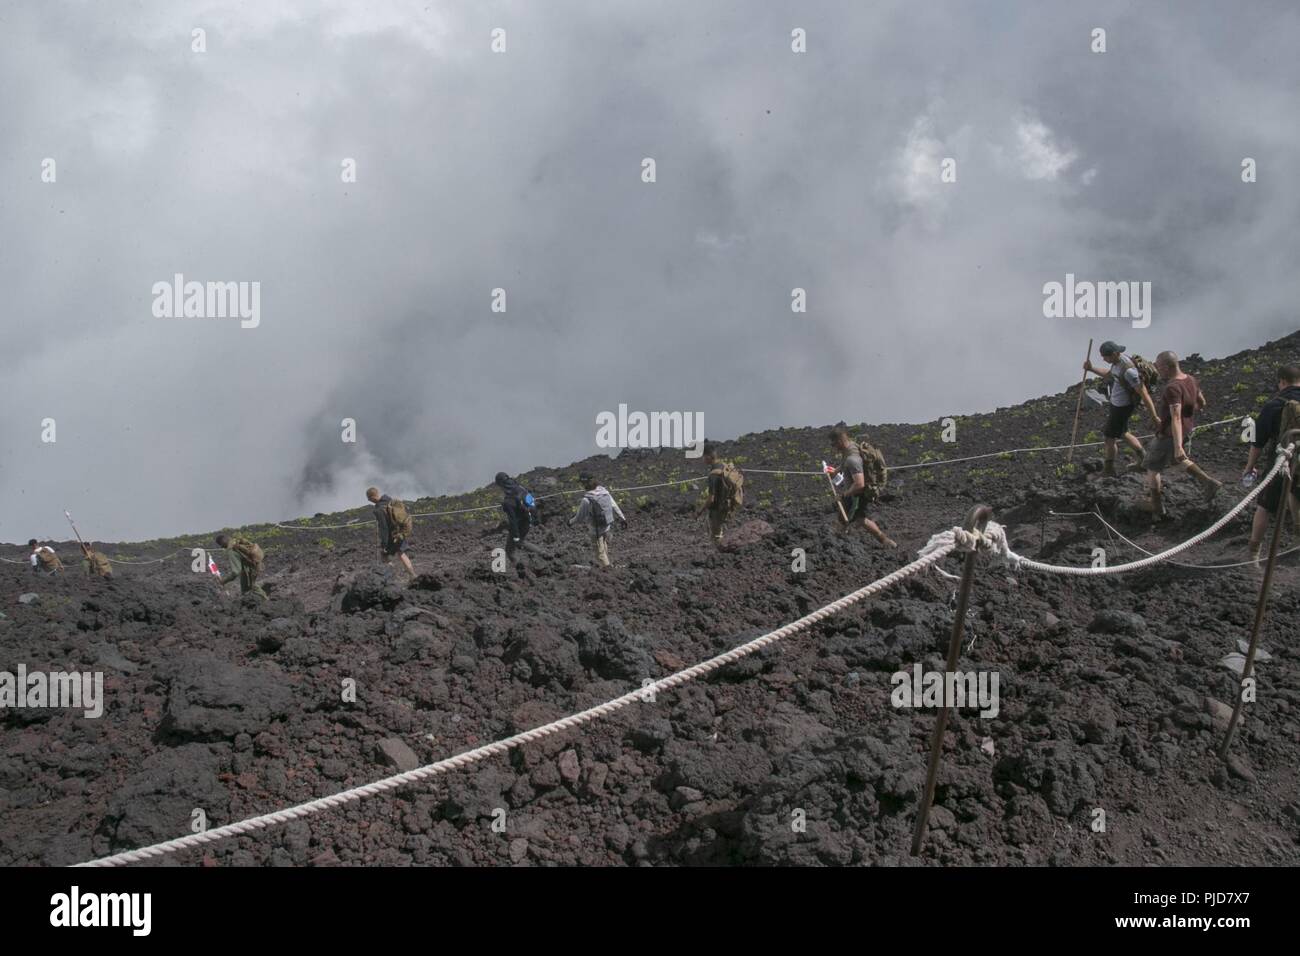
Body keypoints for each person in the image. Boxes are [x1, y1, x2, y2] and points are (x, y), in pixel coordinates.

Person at [1143, 351, 1221, 519]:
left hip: (1169, 434)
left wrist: (1178, 446)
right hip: (1186, 429)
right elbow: (1201, 402)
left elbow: (1176, 417)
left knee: (1152, 467)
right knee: (1176, 460)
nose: (1157, 370)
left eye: (1158, 366)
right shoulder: (1190, 379)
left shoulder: (1172, 387)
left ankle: (1155, 506)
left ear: (1166, 366)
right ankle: (1208, 483)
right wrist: (1188, 414)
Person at [1241, 364, 1300, 565]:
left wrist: (1250, 466)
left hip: (1281, 461)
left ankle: (1254, 553)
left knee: (1265, 506)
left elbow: (1258, 442)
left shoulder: (1275, 405)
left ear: (1282, 381)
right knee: (1296, 494)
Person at [1084, 341, 1159, 476]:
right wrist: (1091, 368)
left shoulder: (1129, 371)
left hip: (1122, 407)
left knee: (1109, 437)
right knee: (1122, 433)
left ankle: (1109, 470)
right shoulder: (1117, 363)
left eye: (1105, 356)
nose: (1103, 359)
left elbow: (1144, 394)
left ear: (1114, 354)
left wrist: (1154, 416)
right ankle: (1144, 460)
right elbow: (1110, 374)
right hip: (1117, 405)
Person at [826, 426, 897, 548]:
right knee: (859, 518)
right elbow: (845, 462)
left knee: (846, 519)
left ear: (840, 441)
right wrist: (836, 471)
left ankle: (836, 545)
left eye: (833, 444)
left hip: (857, 494)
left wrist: (843, 495)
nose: (833, 447)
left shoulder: (852, 459)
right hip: (855, 493)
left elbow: (859, 484)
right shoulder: (851, 447)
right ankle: (886, 541)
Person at [568, 472, 627, 568]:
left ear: (584, 484)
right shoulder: (604, 492)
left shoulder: (587, 500)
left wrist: (569, 522)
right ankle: (608, 566)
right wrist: (622, 518)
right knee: (603, 546)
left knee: (599, 554)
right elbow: (614, 505)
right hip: (606, 525)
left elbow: (579, 518)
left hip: (595, 529)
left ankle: (609, 571)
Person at [695, 442, 743, 549]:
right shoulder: (724, 467)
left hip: (717, 509)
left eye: (703, 457)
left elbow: (711, 498)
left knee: (716, 536)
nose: (702, 460)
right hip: (727, 505)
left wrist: (700, 511)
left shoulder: (713, 475)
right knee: (720, 531)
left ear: (708, 457)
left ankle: (721, 555)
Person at [366, 487, 416, 580]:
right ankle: (412, 575)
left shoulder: (379, 510)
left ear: (372, 497)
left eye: (369, 499)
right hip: (400, 532)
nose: (369, 501)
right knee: (401, 553)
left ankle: (394, 577)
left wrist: (384, 544)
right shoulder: (390, 501)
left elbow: (384, 528)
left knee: (384, 556)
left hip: (391, 536)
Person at [495, 472, 538, 559]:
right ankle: (543, 553)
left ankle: (521, 567)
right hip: (528, 520)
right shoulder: (520, 487)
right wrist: (533, 518)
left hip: (520, 524)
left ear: (501, 484)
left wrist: (516, 537)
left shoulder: (508, 501)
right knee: (521, 542)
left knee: (510, 550)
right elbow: (531, 502)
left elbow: (513, 521)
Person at [215, 533, 267, 599]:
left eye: (221, 545)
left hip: (249, 569)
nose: (222, 547)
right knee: (247, 589)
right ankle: (249, 603)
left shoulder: (231, 550)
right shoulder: (237, 541)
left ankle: (266, 601)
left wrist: (224, 581)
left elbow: (236, 572)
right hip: (253, 566)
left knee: (252, 586)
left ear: (222, 544)